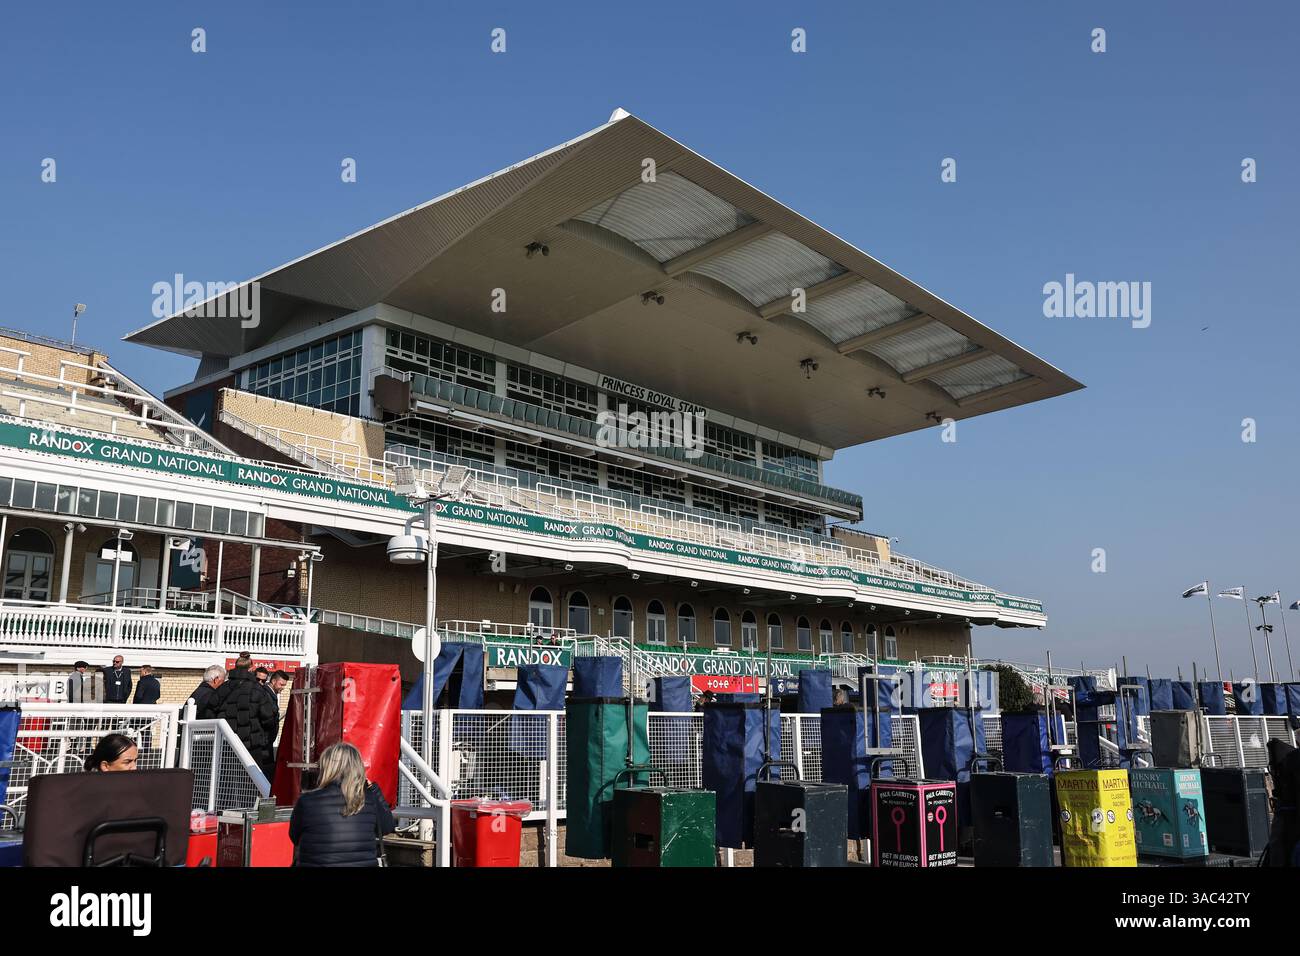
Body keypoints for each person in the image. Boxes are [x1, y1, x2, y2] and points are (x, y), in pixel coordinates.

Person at [288, 742, 395, 867]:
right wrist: (373, 789)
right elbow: (386, 828)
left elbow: (295, 837)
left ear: (327, 768)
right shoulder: (369, 799)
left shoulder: (307, 801)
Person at [212, 656, 279, 778]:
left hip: (227, 744)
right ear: (251, 668)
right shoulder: (257, 690)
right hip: (251, 746)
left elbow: (211, 711)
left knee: (226, 782)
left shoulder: (223, 688)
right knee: (251, 783)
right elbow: (268, 719)